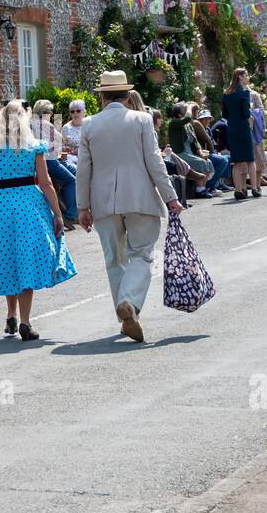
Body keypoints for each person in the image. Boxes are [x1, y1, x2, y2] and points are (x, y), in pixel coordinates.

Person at [76, 71, 182, 342]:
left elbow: (83, 170)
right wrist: (170, 196)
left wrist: (82, 207)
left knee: (114, 260)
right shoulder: (142, 120)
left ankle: (125, 315)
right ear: (126, 95)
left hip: (103, 203)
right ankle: (129, 304)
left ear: (102, 95)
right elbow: (155, 162)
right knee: (143, 254)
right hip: (140, 198)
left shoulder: (88, 125)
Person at [0, 100, 76, 342]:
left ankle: (11, 315)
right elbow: (46, 182)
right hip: (29, 206)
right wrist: (58, 214)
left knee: (8, 258)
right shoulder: (33, 147)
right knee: (25, 259)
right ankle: (26, 322)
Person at [30, 99, 78, 230]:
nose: (52, 114)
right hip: (49, 162)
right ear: (46, 112)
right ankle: (69, 214)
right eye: (51, 111)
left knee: (74, 173)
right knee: (71, 181)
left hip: (37, 161)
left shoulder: (30, 124)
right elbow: (58, 143)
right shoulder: (46, 125)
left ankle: (67, 208)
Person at [220, 68, 258, 200]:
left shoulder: (226, 94)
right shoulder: (244, 92)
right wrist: (250, 109)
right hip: (243, 127)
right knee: (250, 160)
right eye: (246, 75)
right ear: (240, 77)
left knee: (236, 161)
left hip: (232, 128)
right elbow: (246, 113)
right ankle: (254, 188)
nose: (248, 77)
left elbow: (224, 114)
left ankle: (238, 190)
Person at [168, 103, 214, 196]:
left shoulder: (188, 125)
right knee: (201, 163)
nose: (187, 109)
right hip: (180, 154)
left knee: (207, 161)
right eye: (184, 109)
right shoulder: (174, 122)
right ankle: (200, 190)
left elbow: (195, 141)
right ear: (179, 114)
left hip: (189, 152)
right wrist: (190, 106)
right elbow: (188, 118)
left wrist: (200, 151)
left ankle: (203, 188)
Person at [194, 108, 232, 193]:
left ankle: (221, 182)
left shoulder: (208, 129)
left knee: (228, 157)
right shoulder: (198, 129)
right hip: (203, 154)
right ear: (200, 119)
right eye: (205, 118)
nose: (207, 120)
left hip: (211, 153)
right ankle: (210, 185)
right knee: (223, 160)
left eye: (208, 118)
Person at [60, 99, 86, 168]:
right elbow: (61, 146)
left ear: (84, 112)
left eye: (78, 111)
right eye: (72, 111)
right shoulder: (66, 127)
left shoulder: (89, 125)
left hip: (86, 160)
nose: (75, 113)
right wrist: (65, 149)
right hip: (70, 161)